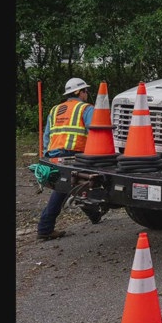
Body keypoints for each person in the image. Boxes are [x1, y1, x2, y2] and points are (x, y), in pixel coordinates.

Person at [36, 77, 103, 240]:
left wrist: (46, 154)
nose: (87, 94)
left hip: (54, 154)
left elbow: (47, 135)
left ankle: (95, 215)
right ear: (79, 92)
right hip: (74, 155)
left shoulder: (55, 109)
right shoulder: (85, 109)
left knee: (78, 186)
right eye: (85, 91)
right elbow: (95, 132)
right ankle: (44, 228)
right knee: (66, 189)